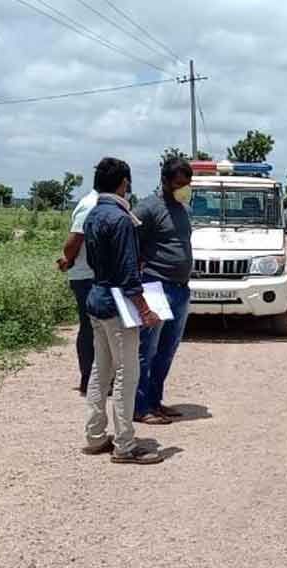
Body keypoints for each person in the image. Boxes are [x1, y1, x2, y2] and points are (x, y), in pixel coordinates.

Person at [81, 157, 163, 464]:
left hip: (96, 298)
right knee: (126, 375)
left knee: (100, 372)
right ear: (124, 183)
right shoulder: (121, 219)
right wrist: (145, 310)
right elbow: (129, 275)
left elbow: (93, 263)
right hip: (118, 305)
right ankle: (125, 445)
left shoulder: (92, 215)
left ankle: (95, 436)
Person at [133, 157, 194, 424]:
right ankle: (140, 407)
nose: (184, 188)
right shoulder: (147, 209)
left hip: (180, 290)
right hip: (154, 287)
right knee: (146, 350)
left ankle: (155, 402)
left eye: (188, 183)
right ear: (165, 181)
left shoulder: (182, 208)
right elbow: (131, 245)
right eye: (180, 184)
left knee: (167, 350)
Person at [57, 182, 99, 396]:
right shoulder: (91, 204)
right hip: (85, 276)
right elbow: (73, 241)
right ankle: (88, 379)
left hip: (90, 275)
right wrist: (69, 259)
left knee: (95, 327)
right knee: (90, 327)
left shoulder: (96, 202)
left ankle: (95, 378)